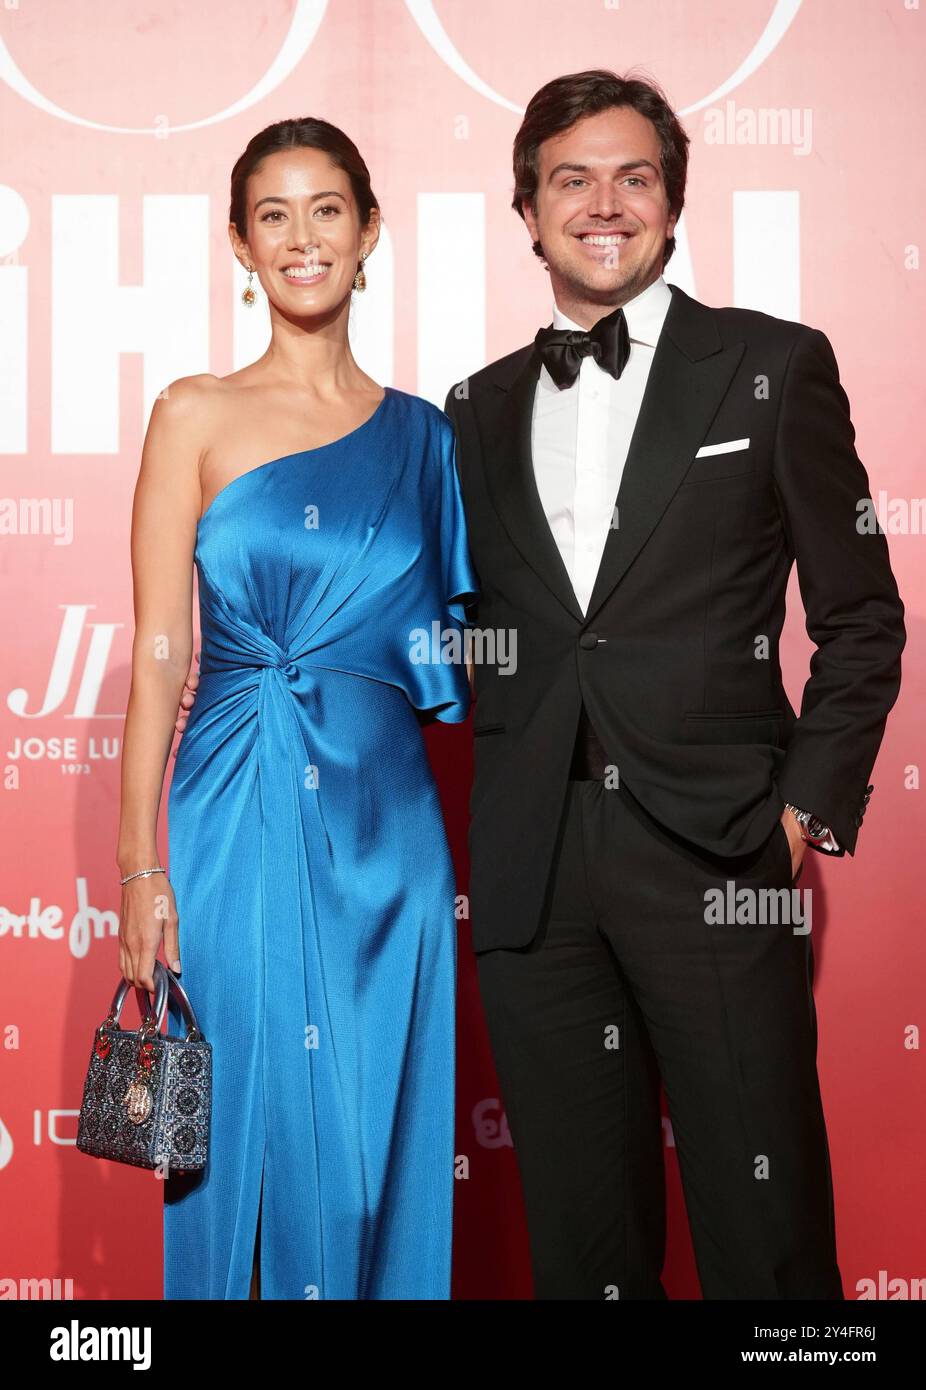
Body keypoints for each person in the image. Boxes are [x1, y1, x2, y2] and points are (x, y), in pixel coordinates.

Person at [442, 70, 905, 1299]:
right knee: (583, 1253)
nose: (604, 204)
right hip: (535, 867)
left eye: (632, 176)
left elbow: (860, 616)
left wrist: (800, 811)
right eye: (570, 180)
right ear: (526, 211)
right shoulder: (476, 408)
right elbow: (466, 629)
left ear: (672, 203)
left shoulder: (771, 365)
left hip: (715, 853)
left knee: (766, 1244)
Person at [116, 117, 477, 1300]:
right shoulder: (194, 414)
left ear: (369, 232)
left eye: (327, 209)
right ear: (240, 243)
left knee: (375, 1157)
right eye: (273, 215)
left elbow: (451, 654)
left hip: (391, 834)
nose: (302, 237)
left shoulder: (428, 440)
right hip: (236, 809)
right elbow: (161, 659)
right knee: (249, 1133)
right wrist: (139, 872)